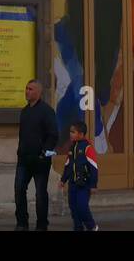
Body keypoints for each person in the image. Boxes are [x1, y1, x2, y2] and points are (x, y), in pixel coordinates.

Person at [14, 78, 58, 231]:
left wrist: (44, 153)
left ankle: (41, 225)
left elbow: (53, 135)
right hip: (24, 160)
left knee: (40, 193)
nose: (27, 91)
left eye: (30, 89)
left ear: (38, 92)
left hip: (40, 161)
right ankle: (21, 223)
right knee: (19, 189)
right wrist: (20, 152)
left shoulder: (47, 111)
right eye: (26, 88)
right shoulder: (24, 112)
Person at [59, 119, 99, 232]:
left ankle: (91, 226)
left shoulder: (87, 148)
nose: (70, 134)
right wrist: (63, 180)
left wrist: (93, 185)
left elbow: (93, 167)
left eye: (73, 132)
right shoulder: (72, 147)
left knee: (82, 207)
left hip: (84, 184)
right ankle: (78, 227)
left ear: (81, 134)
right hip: (73, 183)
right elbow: (68, 165)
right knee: (73, 207)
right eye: (70, 132)